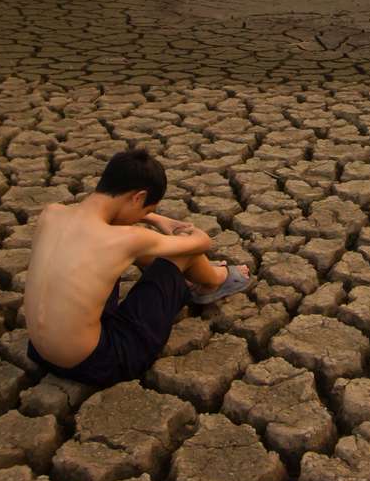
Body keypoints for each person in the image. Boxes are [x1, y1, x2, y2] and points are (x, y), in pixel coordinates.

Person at [23, 147, 251, 386]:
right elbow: (200, 242)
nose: (146, 215)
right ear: (138, 197)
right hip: (99, 362)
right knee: (182, 254)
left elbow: (106, 219)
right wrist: (176, 228)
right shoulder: (127, 239)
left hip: (40, 352)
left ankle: (193, 278)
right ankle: (215, 280)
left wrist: (151, 216)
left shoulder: (52, 214)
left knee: (122, 252)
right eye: (147, 209)